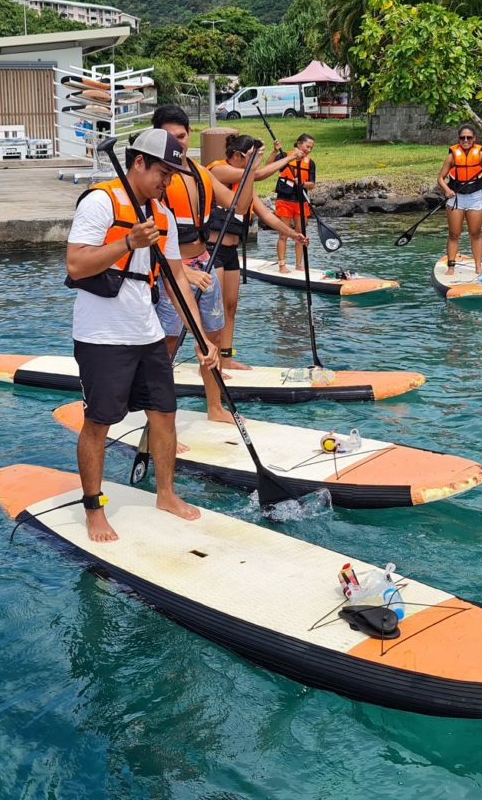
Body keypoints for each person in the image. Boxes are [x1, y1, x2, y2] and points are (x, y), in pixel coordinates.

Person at [66, 128, 218, 542]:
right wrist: (128, 242)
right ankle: (94, 508)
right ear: (138, 163)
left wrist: (201, 337)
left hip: (146, 331)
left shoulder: (162, 216)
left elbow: (176, 281)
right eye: (162, 174)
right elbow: (76, 265)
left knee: (164, 413)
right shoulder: (100, 201)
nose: (167, 182)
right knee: (98, 422)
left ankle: (166, 494)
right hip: (101, 335)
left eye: (172, 175)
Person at [152, 105, 234, 423]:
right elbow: (148, 242)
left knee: (212, 340)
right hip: (171, 269)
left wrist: (252, 170)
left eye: (182, 136)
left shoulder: (201, 174)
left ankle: (215, 407)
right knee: (168, 345)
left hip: (204, 262)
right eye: (169, 137)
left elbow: (239, 204)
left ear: (190, 136)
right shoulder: (155, 181)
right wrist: (182, 272)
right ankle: (160, 419)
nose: (177, 143)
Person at [205, 133, 307, 369]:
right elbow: (258, 174)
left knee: (231, 307)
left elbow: (267, 215)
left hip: (231, 253)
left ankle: (226, 359)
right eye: (251, 156)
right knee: (214, 309)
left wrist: (293, 234)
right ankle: (211, 363)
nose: (255, 161)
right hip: (212, 251)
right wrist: (289, 157)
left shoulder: (245, 185)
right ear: (238, 156)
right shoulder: (217, 170)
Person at [436, 121, 482, 282]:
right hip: (456, 198)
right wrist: (447, 190)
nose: (466, 140)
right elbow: (440, 178)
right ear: (459, 139)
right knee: (454, 234)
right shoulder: (452, 156)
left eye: (469, 137)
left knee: (475, 233)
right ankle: (451, 267)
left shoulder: (480, 154)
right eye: (463, 138)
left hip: (475, 197)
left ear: (474, 139)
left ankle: (478, 267)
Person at [272, 133, 316, 272]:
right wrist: (274, 151)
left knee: (300, 234)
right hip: (284, 200)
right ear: (298, 144)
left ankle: (298, 264)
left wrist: (303, 183)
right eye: (307, 146)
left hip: (301, 201)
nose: (309, 150)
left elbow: (312, 184)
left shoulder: (310, 163)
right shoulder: (284, 156)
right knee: (283, 234)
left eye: (311, 148)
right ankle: (282, 265)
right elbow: (269, 166)